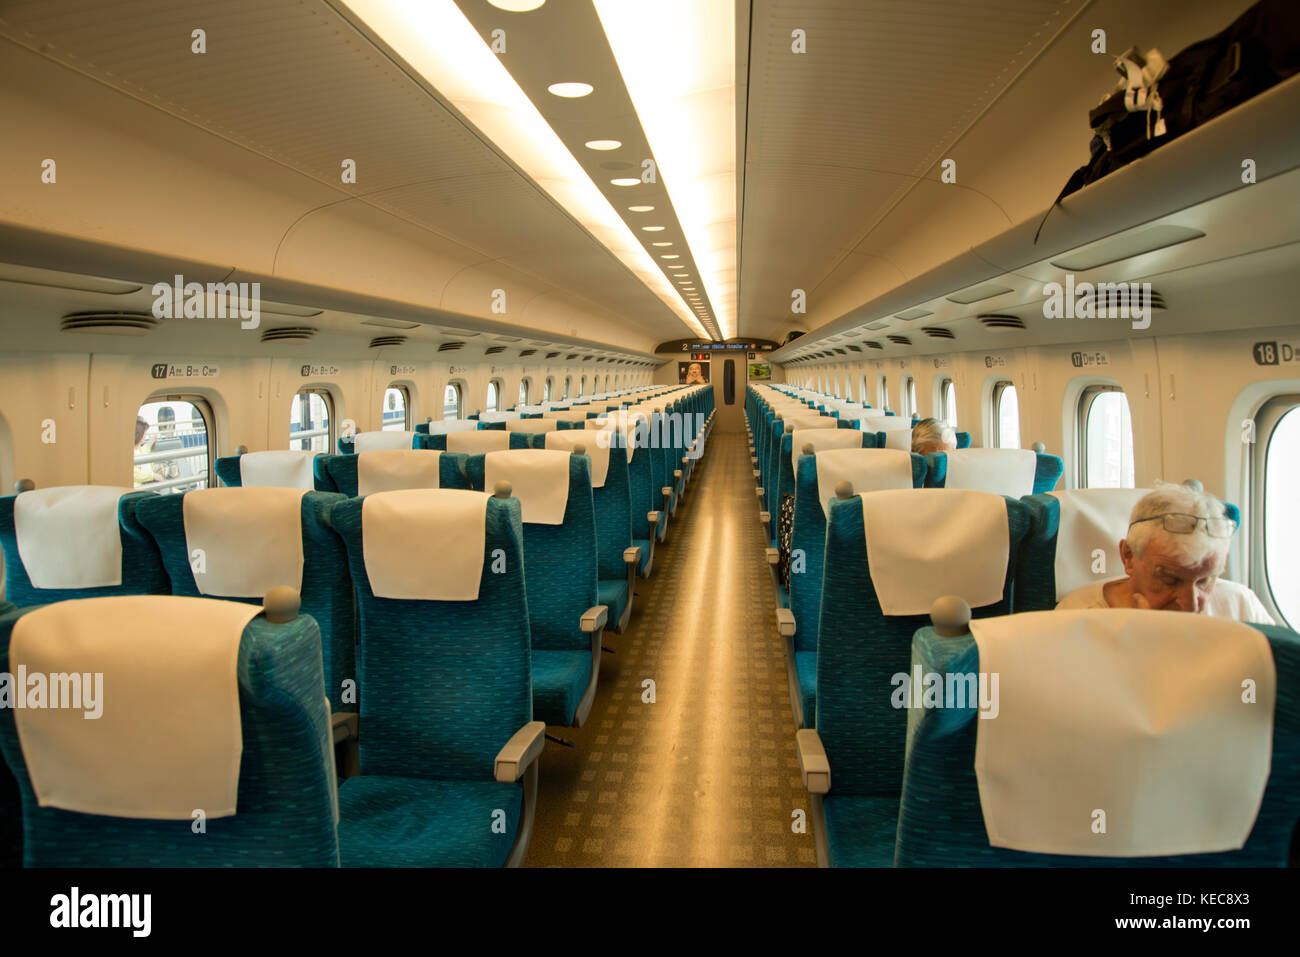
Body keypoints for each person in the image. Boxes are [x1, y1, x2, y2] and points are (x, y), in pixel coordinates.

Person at [1056, 480, 1275, 623]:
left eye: (1205, 581)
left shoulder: (1241, 606)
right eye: (1170, 580)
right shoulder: (1077, 617)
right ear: (1128, 556)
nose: (1191, 605)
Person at [132, 416, 162, 486]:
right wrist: (152, 476)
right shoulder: (130, 452)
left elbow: (145, 449)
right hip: (141, 487)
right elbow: (133, 473)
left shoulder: (138, 448)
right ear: (138, 434)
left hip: (148, 484)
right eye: (144, 433)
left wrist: (151, 441)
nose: (145, 436)